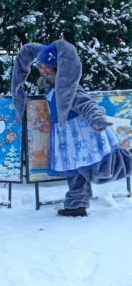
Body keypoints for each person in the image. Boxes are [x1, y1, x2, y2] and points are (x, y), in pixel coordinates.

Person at [11, 40, 132, 217]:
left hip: (82, 134)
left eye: (48, 66)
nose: (44, 70)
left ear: (57, 66)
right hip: (65, 135)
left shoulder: (68, 87)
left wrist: (96, 120)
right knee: (74, 170)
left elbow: (86, 104)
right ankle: (77, 204)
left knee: (98, 168)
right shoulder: (52, 86)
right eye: (41, 66)